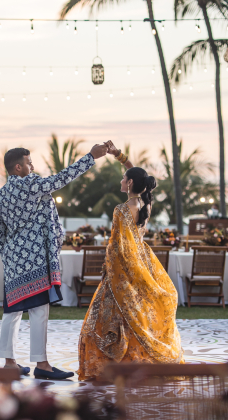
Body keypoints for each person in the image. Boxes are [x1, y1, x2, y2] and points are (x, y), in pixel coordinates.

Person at [0, 143, 109, 380]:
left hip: (14, 261)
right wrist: (90, 157)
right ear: (18, 167)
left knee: (11, 312)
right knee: (39, 311)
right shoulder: (32, 185)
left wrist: (11, 260)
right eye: (29, 163)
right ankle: (42, 365)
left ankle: (9, 363)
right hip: (36, 260)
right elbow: (62, 178)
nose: (32, 167)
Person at [78, 143, 184, 381]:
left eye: (124, 179)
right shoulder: (146, 202)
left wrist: (109, 270)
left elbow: (117, 245)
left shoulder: (122, 209)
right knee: (139, 311)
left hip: (125, 265)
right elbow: (136, 172)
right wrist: (118, 155)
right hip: (142, 259)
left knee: (111, 316)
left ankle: (115, 366)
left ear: (131, 184)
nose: (121, 181)